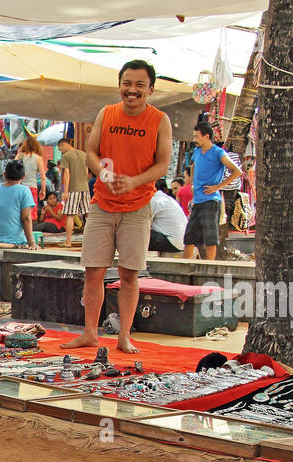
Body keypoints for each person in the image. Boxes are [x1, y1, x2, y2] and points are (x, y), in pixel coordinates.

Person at [63, 59, 171, 354]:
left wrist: (135, 181)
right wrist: (104, 174)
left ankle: (124, 335)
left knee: (129, 274)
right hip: (101, 205)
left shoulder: (160, 120)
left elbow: (162, 163)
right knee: (93, 271)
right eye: (127, 84)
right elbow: (92, 153)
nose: (132, 90)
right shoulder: (107, 113)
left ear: (150, 89)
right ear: (119, 85)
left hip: (138, 207)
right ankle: (89, 333)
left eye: (139, 85)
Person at [181, 121, 241, 261]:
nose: (194, 140)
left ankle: (210, 265)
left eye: (197, 137)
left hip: (211, 200)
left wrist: (218, 187)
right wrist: (192, 184)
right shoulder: (196, 151)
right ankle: (184, 265)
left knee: (210, 238)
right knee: (189, 238)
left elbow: (237, 171)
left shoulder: (218, 152)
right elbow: (194, 166)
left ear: (206, 136)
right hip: (197, 200)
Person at [56, 136, 89, 248]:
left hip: (73, 189)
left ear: (62, 145)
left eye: (60, 149)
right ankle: (92, 241)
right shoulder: (83, 154)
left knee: (70, 214)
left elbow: (67, 174)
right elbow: (86, 171)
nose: (60, 151)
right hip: (85, 187)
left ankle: (68, 241)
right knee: (88, 215)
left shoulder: (66, 156)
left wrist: (65, 191)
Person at [148, 186, 187, 254]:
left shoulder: (154, 200)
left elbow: (143, 224)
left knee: (135, 233)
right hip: (181, 243)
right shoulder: (166, 198)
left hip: (171, 242)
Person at [15, 131, 46, 207]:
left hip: (19, 187)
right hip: (32, 187)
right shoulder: (38, 158)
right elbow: (43, 178)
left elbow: (13, 171)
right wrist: (43, 190)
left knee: (19, 210)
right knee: (31, 212)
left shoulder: (19, 156)